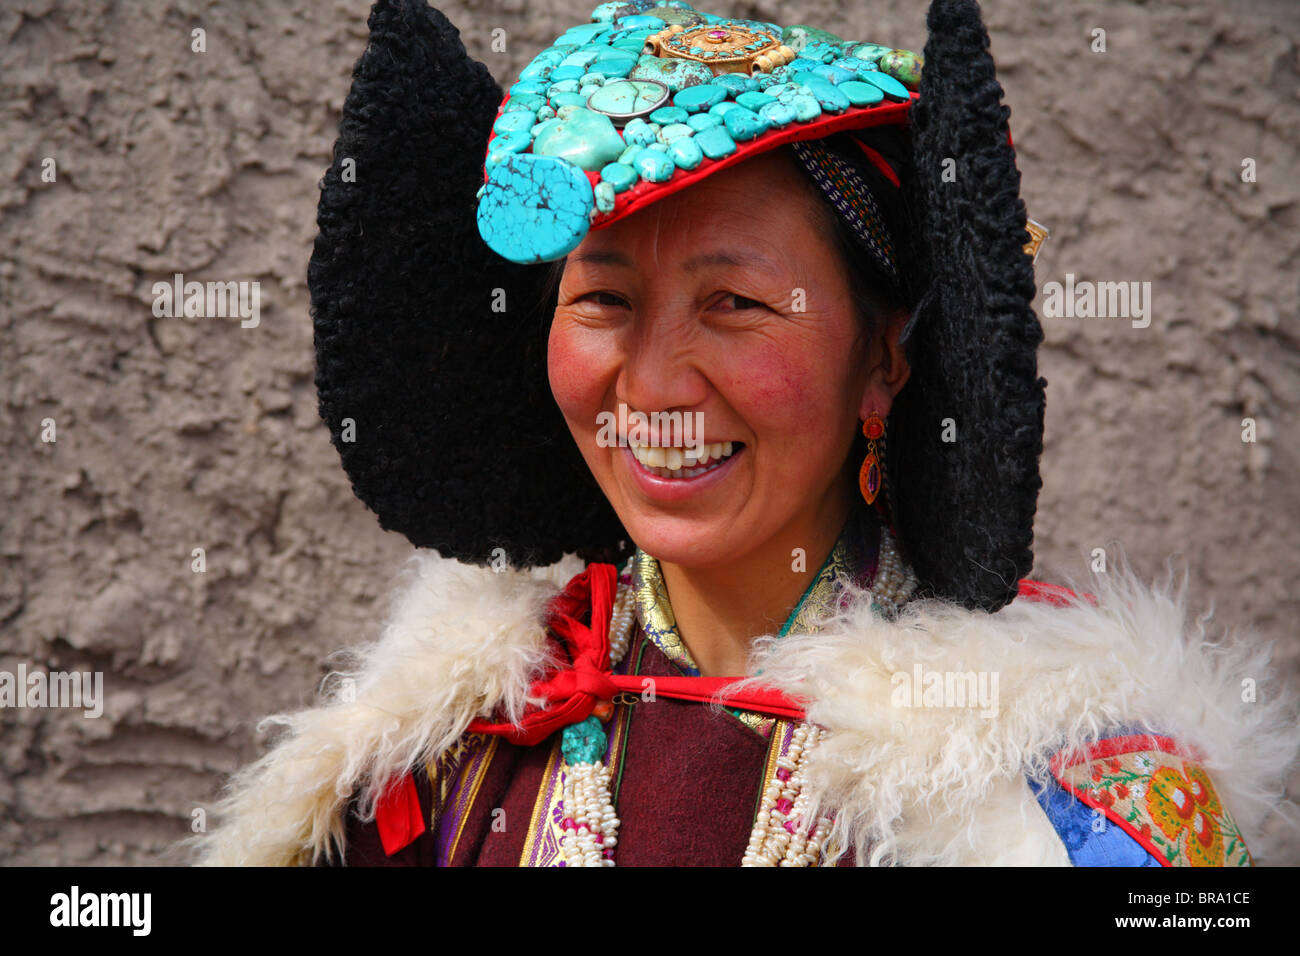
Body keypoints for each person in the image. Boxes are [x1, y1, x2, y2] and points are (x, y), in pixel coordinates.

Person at [191, 0, 1295, 866]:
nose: (655, 381)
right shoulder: (442, 753)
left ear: (883, 359)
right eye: (603, 302)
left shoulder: (1062, 788)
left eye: (735, 304)